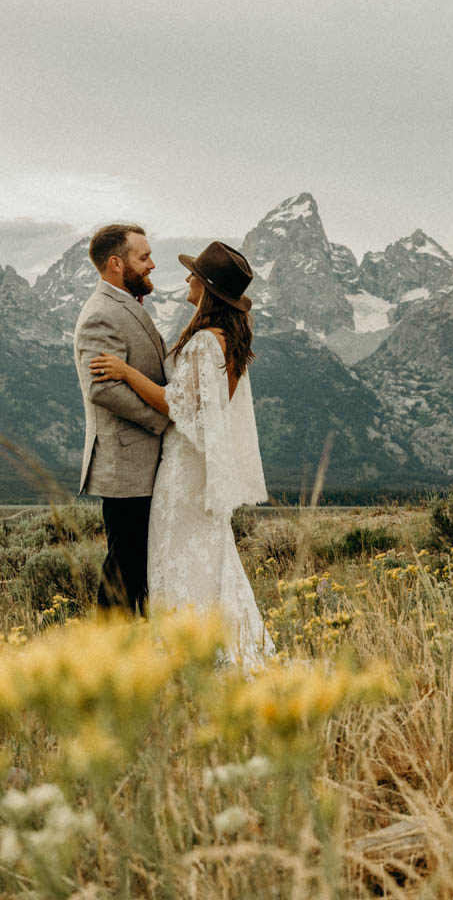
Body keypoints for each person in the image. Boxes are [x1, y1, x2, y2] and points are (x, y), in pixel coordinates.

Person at [89, 240, 274, 667]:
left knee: (176, 561)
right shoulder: (228, 338)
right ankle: (209, 650)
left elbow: (178, 406)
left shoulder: (206, 341)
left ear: (206, 288)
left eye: (194, 274)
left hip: (183, 472)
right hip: (197, 469)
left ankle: (186, 657)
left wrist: (125, 371)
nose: (187, 278)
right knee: (207, 561)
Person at [72, 224, 168, 613]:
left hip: (142, 463)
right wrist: (163, 421)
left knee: (137, 568)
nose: (152, 264)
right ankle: (107, 659)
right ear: (116, 263)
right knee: (124, 572)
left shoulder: (126, 305)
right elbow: (103, 390)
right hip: (126, 465)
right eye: (143, 257)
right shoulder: (101, 314)